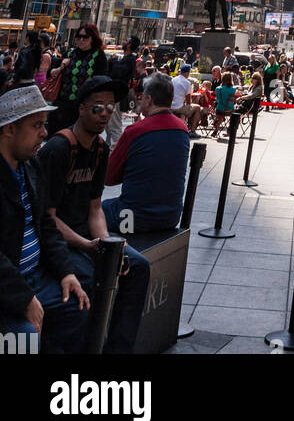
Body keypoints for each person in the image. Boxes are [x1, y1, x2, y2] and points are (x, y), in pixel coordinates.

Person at [37, 75, 150, 354]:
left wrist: (107, 245)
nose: (105, 114)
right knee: (93, 276)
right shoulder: (59, 148)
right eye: (98, 108)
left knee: (137, 266)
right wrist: (89, 246)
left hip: (87, 235)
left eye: (111, 108)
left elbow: (95, 207)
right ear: (82, 109)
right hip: (59, 239)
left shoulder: (101, 149)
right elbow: (47, 218)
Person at [0, 83, 90, 352]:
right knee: (24, 336)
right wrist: (25, 298)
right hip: (9, 285)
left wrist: (65, 272)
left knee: (78, 305)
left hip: (35, 276)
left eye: (45, 123)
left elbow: (45, 225)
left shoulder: (30, 165)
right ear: (9, 129)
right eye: (37, 125)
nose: (45, 132)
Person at [103, 73, 191, 233]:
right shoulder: (182, 129)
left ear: (149, 99)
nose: (141, 100)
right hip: (170, 217)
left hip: (131, 218)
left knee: (89, 213)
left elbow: (108, 178)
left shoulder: (135, 131)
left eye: (143, 97)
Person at [48, 24, 108, 136]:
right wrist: (61, 67)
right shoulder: (70, 53)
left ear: (93, 39)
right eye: (78, 37)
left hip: (84, 107)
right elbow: (50, 73)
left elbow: (101, 82)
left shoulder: (98, 56)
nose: (81, 40)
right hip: (63, 103)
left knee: (78, 138)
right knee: (58, 136)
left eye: (85, 37)